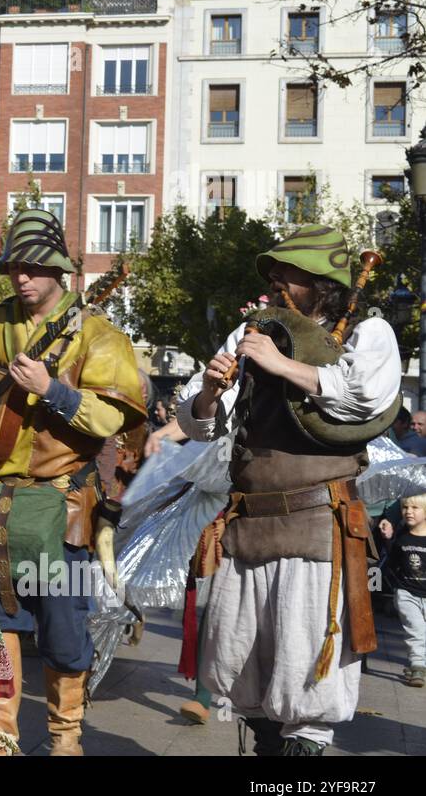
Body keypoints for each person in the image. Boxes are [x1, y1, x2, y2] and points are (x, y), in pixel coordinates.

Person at [177, 224, 401, 755]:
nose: (276, 280)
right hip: (248, 528)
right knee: (245, 669)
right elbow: (201, 424)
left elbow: (366, 399)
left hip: (317, 529)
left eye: (289, 272)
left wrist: (280, 365)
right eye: (274, 271)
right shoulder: (253, 332)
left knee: (307, 677)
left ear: (323, 282)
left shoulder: (370, 332)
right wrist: (210, 393)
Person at [0, 209, 146, 756]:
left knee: (63, 629)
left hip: (62, 508)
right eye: (15, 268)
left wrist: (52, 390)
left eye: (35, 268)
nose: (23, 279)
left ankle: (66, 739)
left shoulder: (100, 336)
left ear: (61, 271)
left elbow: (111, 420)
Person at [379, 495, 426, 687]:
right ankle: (417, 667)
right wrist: (388, 539)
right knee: (416, 630)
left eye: (415, 507)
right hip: (407, 593)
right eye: (405, 507)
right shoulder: (401, 537)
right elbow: (392, 562)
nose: (409, 511)